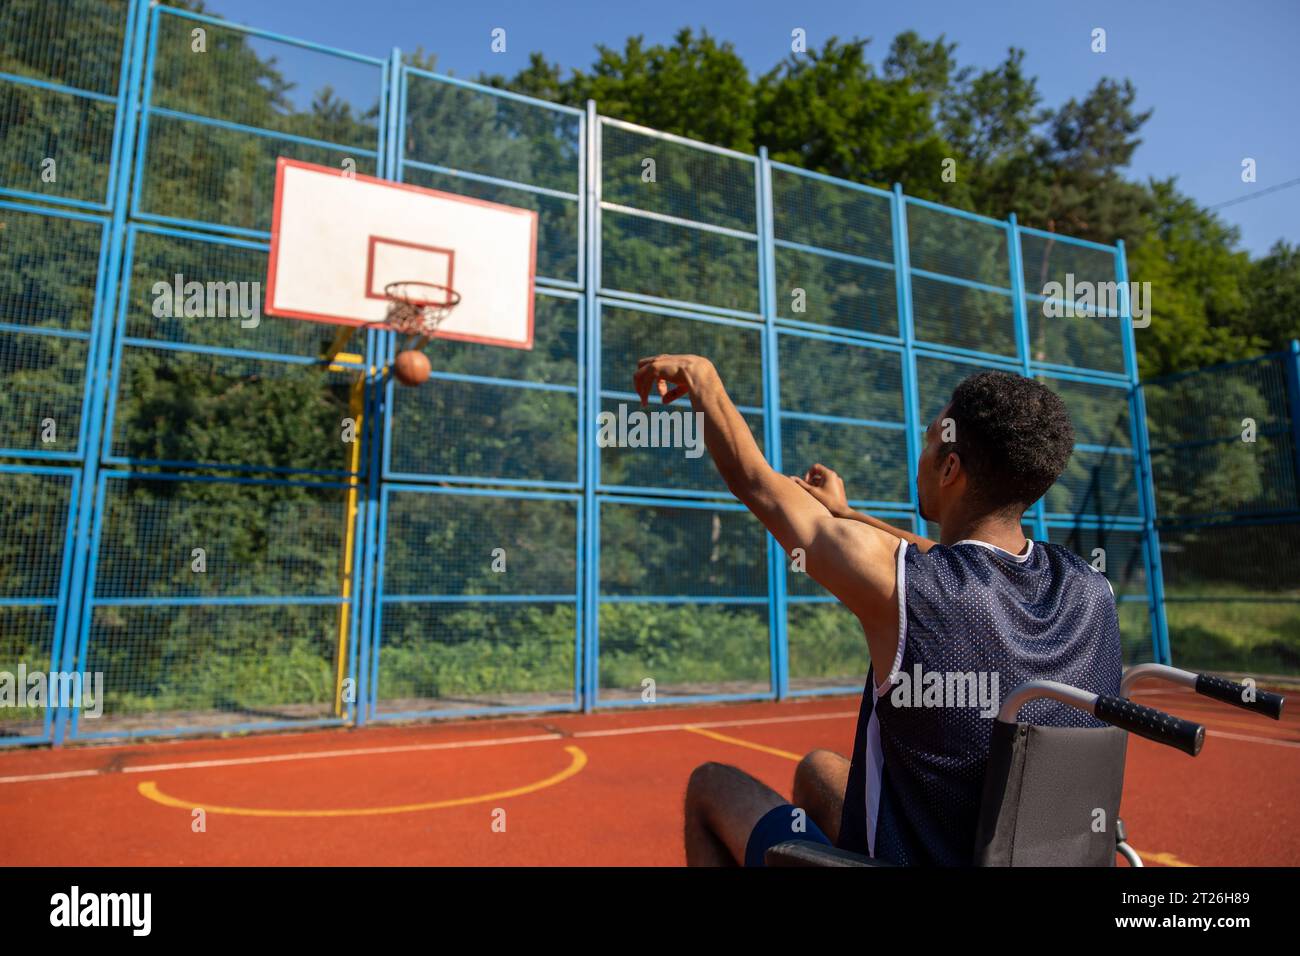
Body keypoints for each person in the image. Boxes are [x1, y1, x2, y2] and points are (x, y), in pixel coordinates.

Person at [633, 355, 1122, 866]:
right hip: (1022, 854)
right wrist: (848, 514)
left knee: (711, 786)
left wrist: (704, 379)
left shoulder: (913, 590)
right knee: (818, 770)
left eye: (932, 439)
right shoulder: (1091, 589)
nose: (924, 451)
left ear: (951, 468)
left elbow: (754, 480)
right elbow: (961, 562)